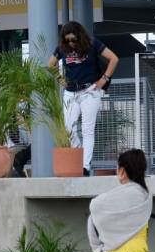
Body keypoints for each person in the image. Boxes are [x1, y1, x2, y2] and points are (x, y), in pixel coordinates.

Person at [49, 21, 119, 176]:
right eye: (68, 40)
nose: (71, 43)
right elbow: (51, 64)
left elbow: (114, 58)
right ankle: (79, 155)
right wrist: (59, 79)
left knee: (88, 130)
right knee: (69, 129)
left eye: (74, 39)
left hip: (90, 91)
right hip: (70, 92)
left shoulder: (93, 43)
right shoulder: (62, 48)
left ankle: (85, 166)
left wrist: (104, 79)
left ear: (80, 36)